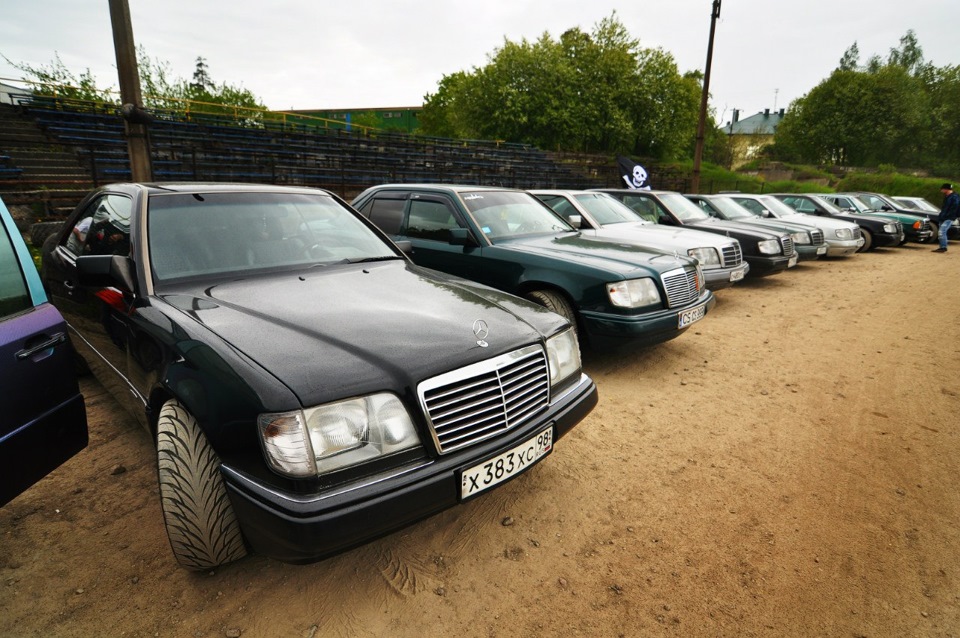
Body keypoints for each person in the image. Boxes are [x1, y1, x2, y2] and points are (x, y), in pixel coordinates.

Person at [934, 182, 959, 253]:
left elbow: (955, 208)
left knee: (942, 231)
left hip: (949, 217)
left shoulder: (954, 197)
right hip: (943, 217)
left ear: (946, 189)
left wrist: (950, 216)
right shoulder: (947, 196)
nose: (941, 190)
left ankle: (943, 247)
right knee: (941, 232)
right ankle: (942, 247)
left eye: (942, 189)